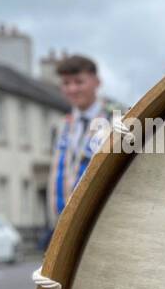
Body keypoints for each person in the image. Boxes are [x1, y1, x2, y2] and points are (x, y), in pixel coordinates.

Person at [46, 54, 125, 245]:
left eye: (79, 82)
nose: (72, 89)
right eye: (66, 83)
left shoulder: (117, 120)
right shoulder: (63, 125)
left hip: (104, 224)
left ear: (97, 82)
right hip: (65, 227)